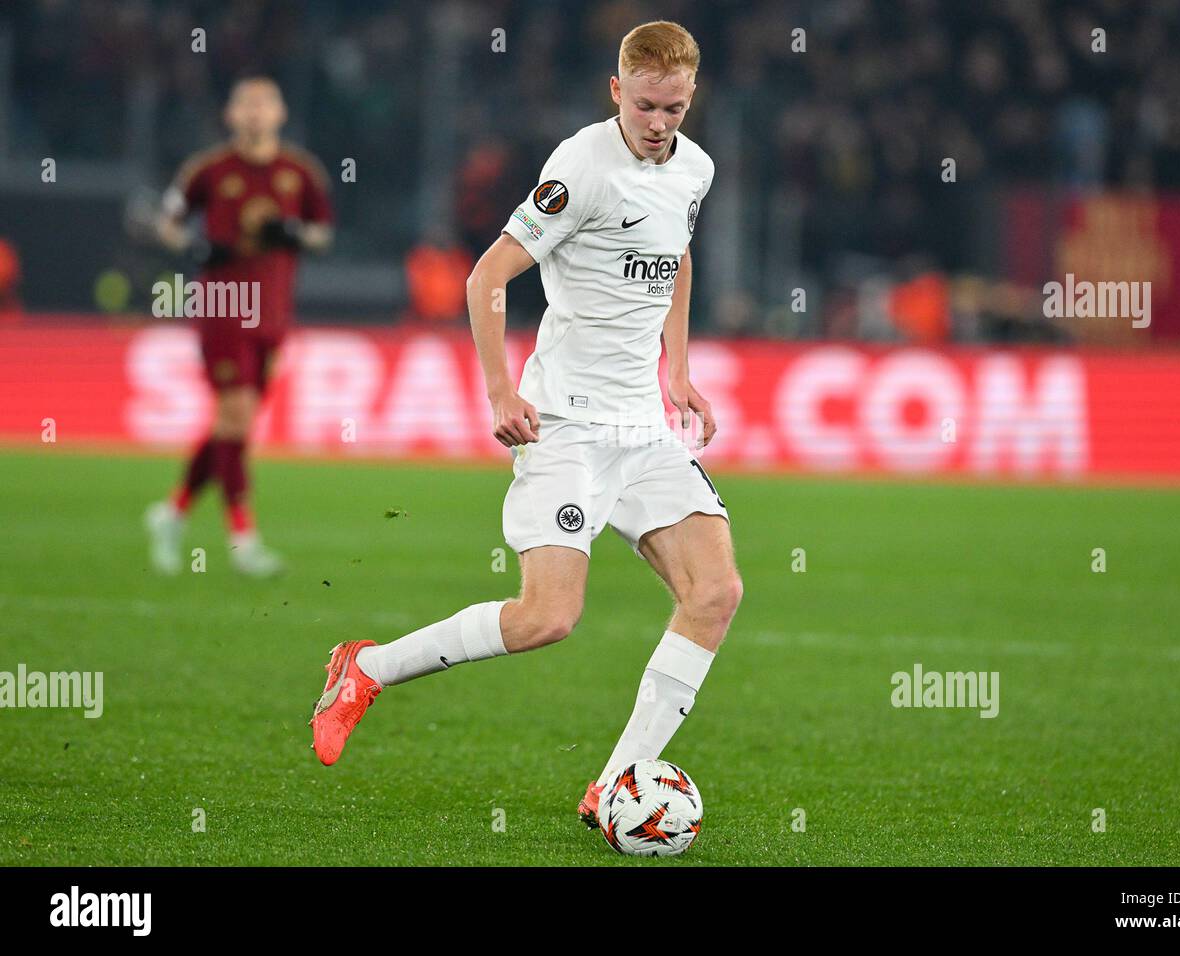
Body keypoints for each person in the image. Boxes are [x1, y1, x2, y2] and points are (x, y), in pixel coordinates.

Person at [309, 21, 743, 832]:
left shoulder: (696, 169)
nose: (659, 124)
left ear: (692, 99)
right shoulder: (580, 168)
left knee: (715, 593)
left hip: (643, 428)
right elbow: (486, 277)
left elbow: (677, 258)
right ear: (616, 92)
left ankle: (614, 784)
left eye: (675, 110)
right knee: (548, 617)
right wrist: (501, 391)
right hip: (568, 426)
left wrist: (676, 369)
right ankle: (364, 666)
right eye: (646, 106)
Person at [143, 75, 333, 577]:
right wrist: (195, 247)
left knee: (234, 424)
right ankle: (242, 536)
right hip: (223, 307)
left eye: (264, 103)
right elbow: (165, 222)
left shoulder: (300, 171)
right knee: (236, 412)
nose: (254, 112)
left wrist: (292, 233)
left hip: (272, 313)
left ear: (280, 113)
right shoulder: (208, 170)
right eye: (245, 103)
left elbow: (322, 234)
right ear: (230, 115)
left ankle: (173, 511)